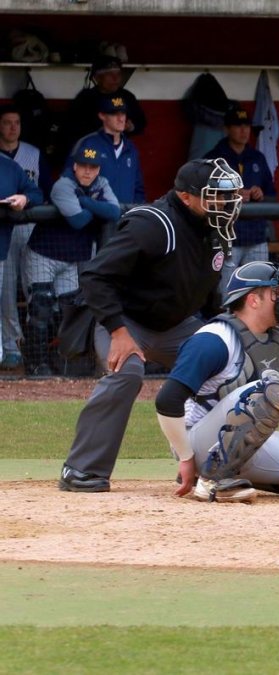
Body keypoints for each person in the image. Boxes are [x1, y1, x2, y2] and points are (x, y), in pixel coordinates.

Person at [58, 158, 243, 493]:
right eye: (215, 194)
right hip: (124, 320)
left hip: (177, 325)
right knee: (127, 372)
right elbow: (95, 276)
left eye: (227, 194)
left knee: (231, 367)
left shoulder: (215, 228)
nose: (225, 202)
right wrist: (118, 331)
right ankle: (81, 469)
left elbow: (210, 295)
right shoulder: (153, 224)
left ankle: (214, 463)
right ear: (185, 197)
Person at [154, 261, 279, 503]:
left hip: (242, 445)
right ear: (253, 300)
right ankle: (213, 480)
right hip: (196, 442)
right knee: (267, 390)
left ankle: (230, 475)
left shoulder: (277, 342)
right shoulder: (214, 340)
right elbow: (167, 400)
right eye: (278, 293)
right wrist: (186, 457)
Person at [24, 140, 119, 376]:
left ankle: (62, 362)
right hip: (43, 255)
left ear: (98, 169)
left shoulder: (102, 183)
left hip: (71, 259)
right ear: (74, 166)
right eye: (83, 166)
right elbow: (79, 221)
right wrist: (96, 207)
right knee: (41, 307)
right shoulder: (63, 185)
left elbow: (114, 211)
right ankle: (36, 364)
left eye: (92, 167)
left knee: (68, 312)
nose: (88, 171)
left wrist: (85, 201)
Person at [204, 106, 278, 292]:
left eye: (247, 126)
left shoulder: (257, 158)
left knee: (257, 292)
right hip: (227, 238)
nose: (244, 130)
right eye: (238, 126)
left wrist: (260, 194)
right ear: (227, 129)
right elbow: (203, 197)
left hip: (256, 236)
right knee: (227, 294)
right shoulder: (214, 159)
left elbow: (272, 195)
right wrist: (231, 195)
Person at [0, 104, 51, 370]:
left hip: (28, 226)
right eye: (7, 122)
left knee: (35, 287)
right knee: (6, 291)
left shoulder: (30, 155)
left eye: (16, 123)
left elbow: (43, 192)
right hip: (4, 232)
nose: (12, 128)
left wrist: (25, 198)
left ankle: (33, 345)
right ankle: (11, 346)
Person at [70, 95, 146, 215]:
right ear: (102, 115)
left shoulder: (130, 148)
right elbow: (70, 182)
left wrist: (135, 213)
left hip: (125, 218)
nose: (121, 119)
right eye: (115, 114)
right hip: (96, 218)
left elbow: (138, 188)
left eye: (123, 113)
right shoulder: (88, 144)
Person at [63, 55, 148, 149]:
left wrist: (131, 127)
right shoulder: (85, 98)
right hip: (91, 149)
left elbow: (140, 122)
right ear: (97, 77)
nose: (115, 78)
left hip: (118, 149)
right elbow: (71, 128)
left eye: (118, 74)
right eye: (110, 74)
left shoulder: (127, 97)